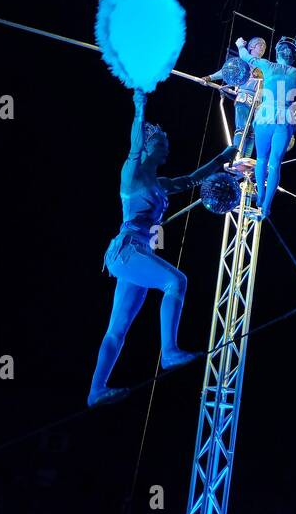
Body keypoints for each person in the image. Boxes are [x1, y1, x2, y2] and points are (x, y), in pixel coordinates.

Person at [88, 89, 237, 406]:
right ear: (148, 145)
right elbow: (134, 145)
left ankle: (96, 390)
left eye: (165, 142)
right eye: (159, 140)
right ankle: (169, 352)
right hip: (126, 250)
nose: (165, 144)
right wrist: (140, 107)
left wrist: (226, 156)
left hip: (138, 254)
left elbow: (195, 178)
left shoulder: (163, 183)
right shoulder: (133, 174)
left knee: (117, 329)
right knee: (176, 281)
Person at [234, 35, 296, 220]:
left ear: (278, 52)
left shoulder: (268, 65)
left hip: (266, 116)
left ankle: (261, 197)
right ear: (293, 56)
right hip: (283, 118)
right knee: (274, 164)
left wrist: (240, 45)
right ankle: (265, 207)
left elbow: (246, 57)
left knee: (261, 159)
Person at [204, 37, 267, 159]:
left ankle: (245, 158)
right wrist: (209, 77)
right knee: (242, 127)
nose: (263, 48)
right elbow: (226, 71)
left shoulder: (264, 66)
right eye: (260, 45)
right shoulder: (244, 61)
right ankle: (236, 155)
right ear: (252, 47)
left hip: (258, 102)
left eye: (264, 46)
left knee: (253, 132)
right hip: (245, 96)